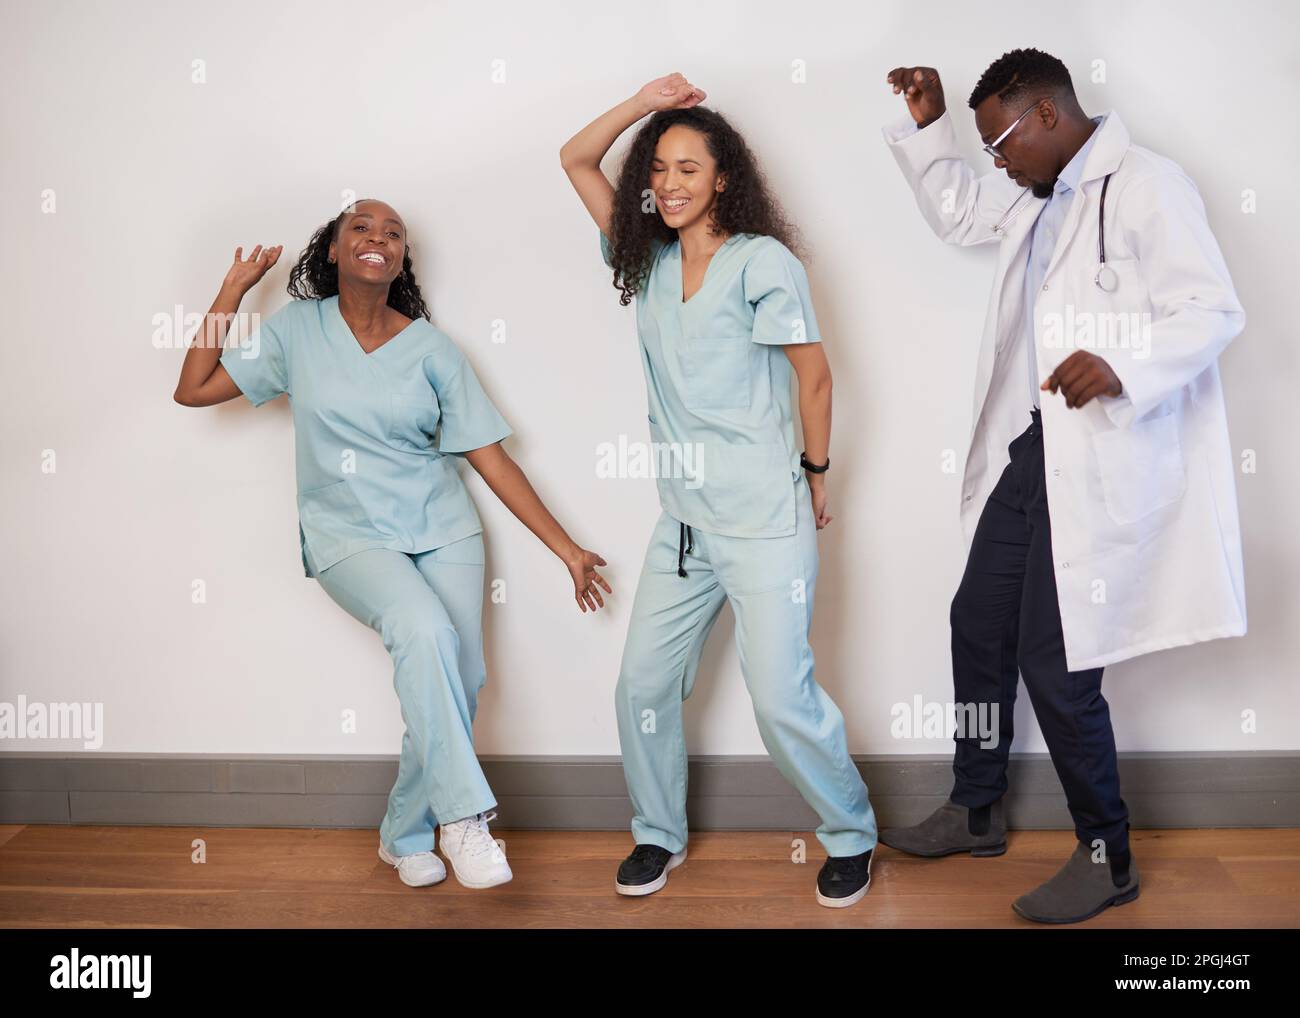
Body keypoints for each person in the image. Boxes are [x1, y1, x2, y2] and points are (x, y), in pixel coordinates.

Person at [880, 49, 1246, 923]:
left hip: (1109, 454)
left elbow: (1212, 310)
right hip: (1038, 449)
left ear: (1045, 115)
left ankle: (1105, 851)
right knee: (978, 618)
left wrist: (1121, 363)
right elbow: (962, 214)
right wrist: (932, 130)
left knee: (1058, 655)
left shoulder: (1149, 185)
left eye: (1000, 140)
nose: (995, 161)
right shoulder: (1034, 192)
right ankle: (976, 805)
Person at [173, 199, 612, 891]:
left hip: (443, 529)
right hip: (347, 534)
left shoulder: (433, 350)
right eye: (362, 228)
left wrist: (567, 548)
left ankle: (403, 834)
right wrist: (233, 290)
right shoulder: (297, 333)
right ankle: (464, 819)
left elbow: (491, 459)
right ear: (334, 252)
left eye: (393, 233)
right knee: (422, 629)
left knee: (457, 680)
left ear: (402, 258)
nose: (379, 238)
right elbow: (192, 389)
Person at [561, 73, 878, 908]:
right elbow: (575, 157)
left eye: (688, 169)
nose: (668, 184)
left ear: (723, 178)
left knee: (781, 700)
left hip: (767, 522)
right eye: (658, 168)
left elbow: (815, 377)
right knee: (642, 686)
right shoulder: (647, 256)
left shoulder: (760, 263)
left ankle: (850, 832)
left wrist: (815, 476)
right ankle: (658, 834)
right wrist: (641, 105)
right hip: (684, 529)